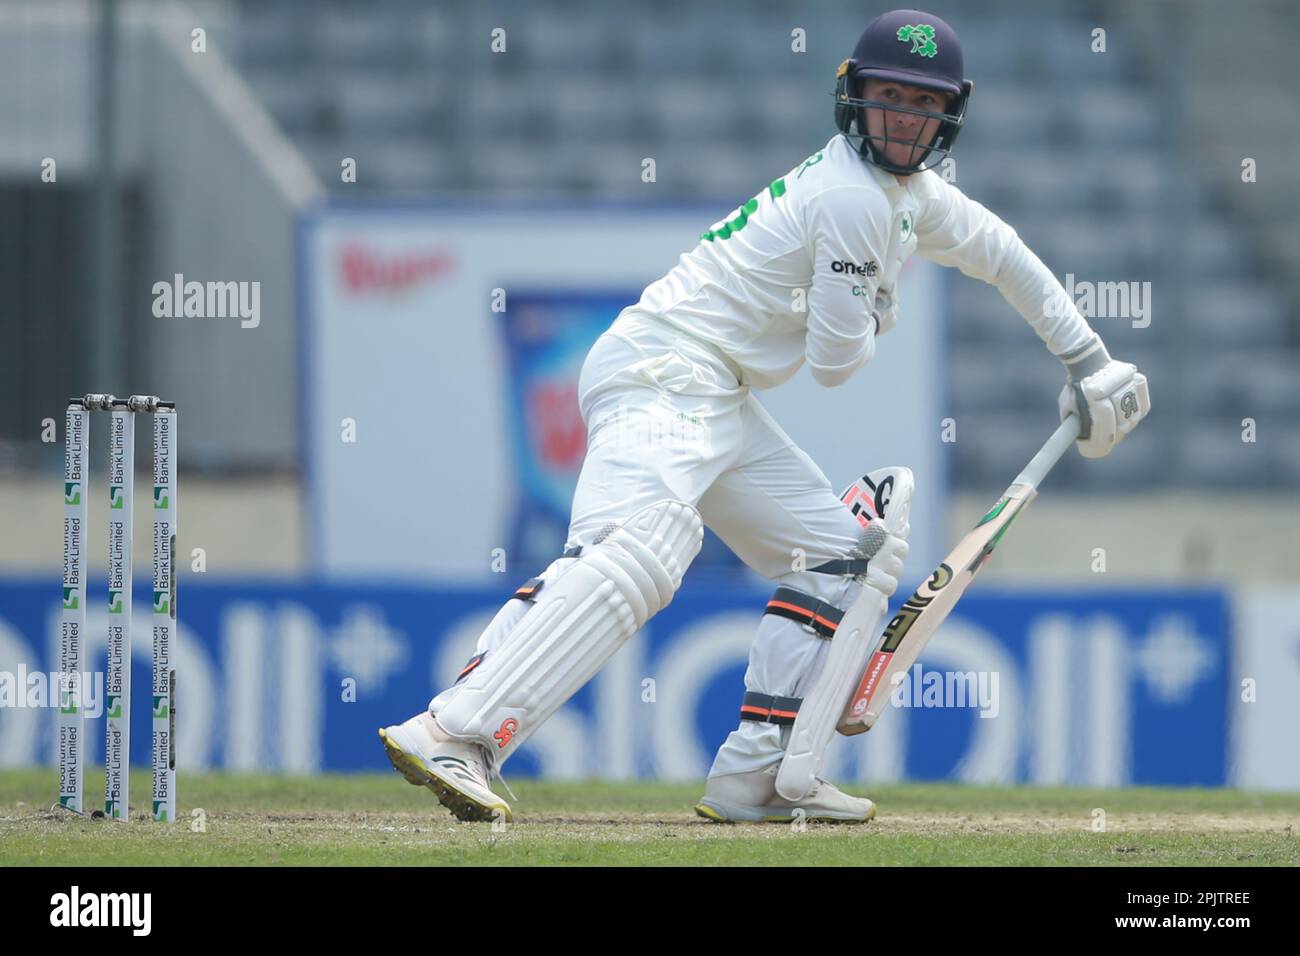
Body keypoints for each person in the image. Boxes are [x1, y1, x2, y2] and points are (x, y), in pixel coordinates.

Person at [378, 8, 1151, 824]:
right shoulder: (853, 201)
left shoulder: (912, 197)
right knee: (644, 549)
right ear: (853, 97)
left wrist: (1089, 362)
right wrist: (880, 303)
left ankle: (757, 773)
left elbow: (1004, 256)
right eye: (889, 96)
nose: (904, 117)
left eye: (923, 103)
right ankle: (454, 730)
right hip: (662, 372)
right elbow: (833, 364)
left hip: (714, 391)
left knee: (844, 557)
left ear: (949, 114)